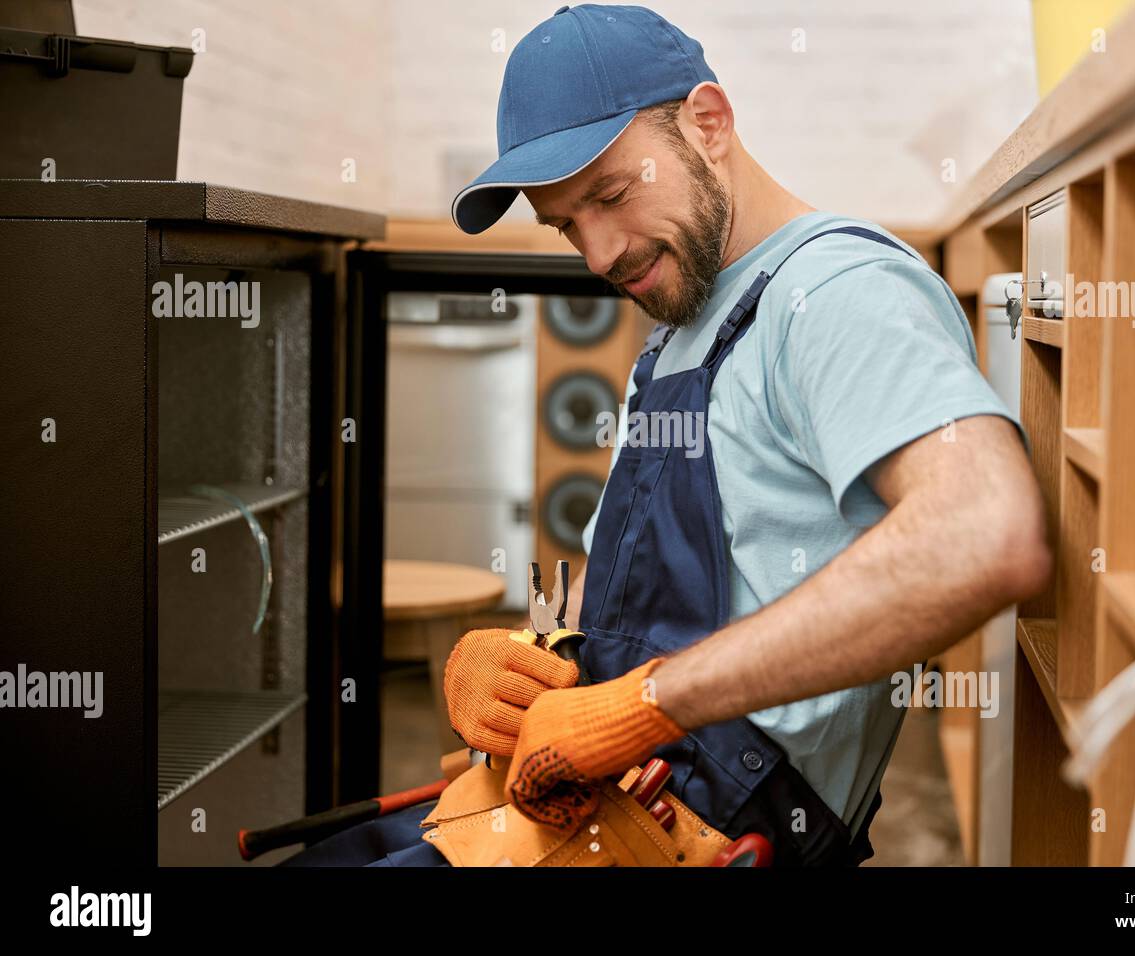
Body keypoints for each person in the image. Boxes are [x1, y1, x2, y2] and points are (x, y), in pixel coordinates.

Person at [284, 3, 1050, 868]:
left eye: (612, 195)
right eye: (567, 223)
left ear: (708, 124)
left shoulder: (840, 292)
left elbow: (986, 534)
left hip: (703, 831)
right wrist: (519, 658)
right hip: (591, 798)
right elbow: (657, 599)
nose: (598, 253)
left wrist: (650, 702)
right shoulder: (686, 326)